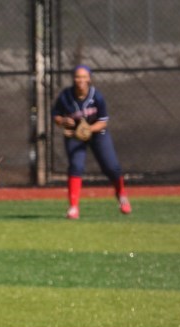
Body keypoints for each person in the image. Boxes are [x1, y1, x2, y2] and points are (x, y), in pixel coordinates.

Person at [52, 64, 132, 219]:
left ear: (89, 79)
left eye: (84, 76)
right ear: (73, 79)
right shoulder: (65, 96)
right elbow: (56, 115)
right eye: (77, 76)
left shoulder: (96, 96)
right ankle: (73, 208)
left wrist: (88, 129)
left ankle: (122, 195)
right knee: (76, 166)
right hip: (74, 135)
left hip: (98, 133)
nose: (81, 80)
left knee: (112, 166)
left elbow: (103, 122)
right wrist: (62, 121)